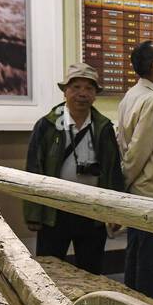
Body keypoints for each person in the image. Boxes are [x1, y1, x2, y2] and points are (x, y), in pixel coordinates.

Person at [23, 63, 122, 275]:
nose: (82, 94)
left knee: (91, 271)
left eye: (89, 88)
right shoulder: (47, 125)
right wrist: (33, 213)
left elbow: (113, 169)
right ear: (65, 91)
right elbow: (34, 169)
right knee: (49, 270)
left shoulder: (103, 127)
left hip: (91, 210)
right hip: (55, 211)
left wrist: (116, 213)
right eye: (76, 87)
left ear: (95, 94)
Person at [117, 41, 153, 300]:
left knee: (135, 256)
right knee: (148, 265)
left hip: (139, 192)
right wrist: (126, 183)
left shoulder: (132, 95)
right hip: (150, 193)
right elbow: (138, 151)